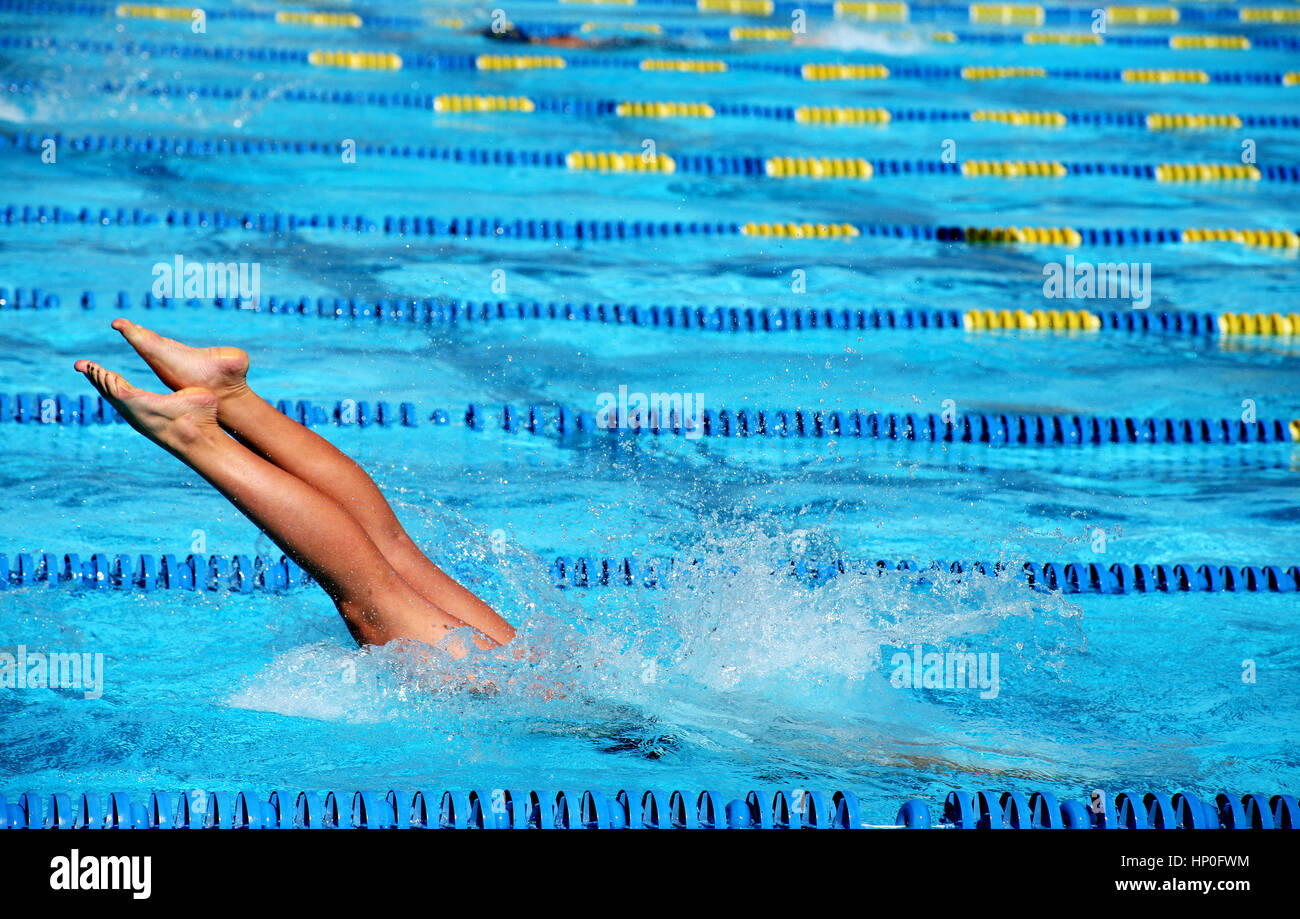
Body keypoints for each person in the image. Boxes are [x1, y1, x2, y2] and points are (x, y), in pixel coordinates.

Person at [74, 319, 516, 657]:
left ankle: (229, 396)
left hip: (569, 680)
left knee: (392, 556)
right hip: (560, 699)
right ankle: (197, 435)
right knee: (375, 598)